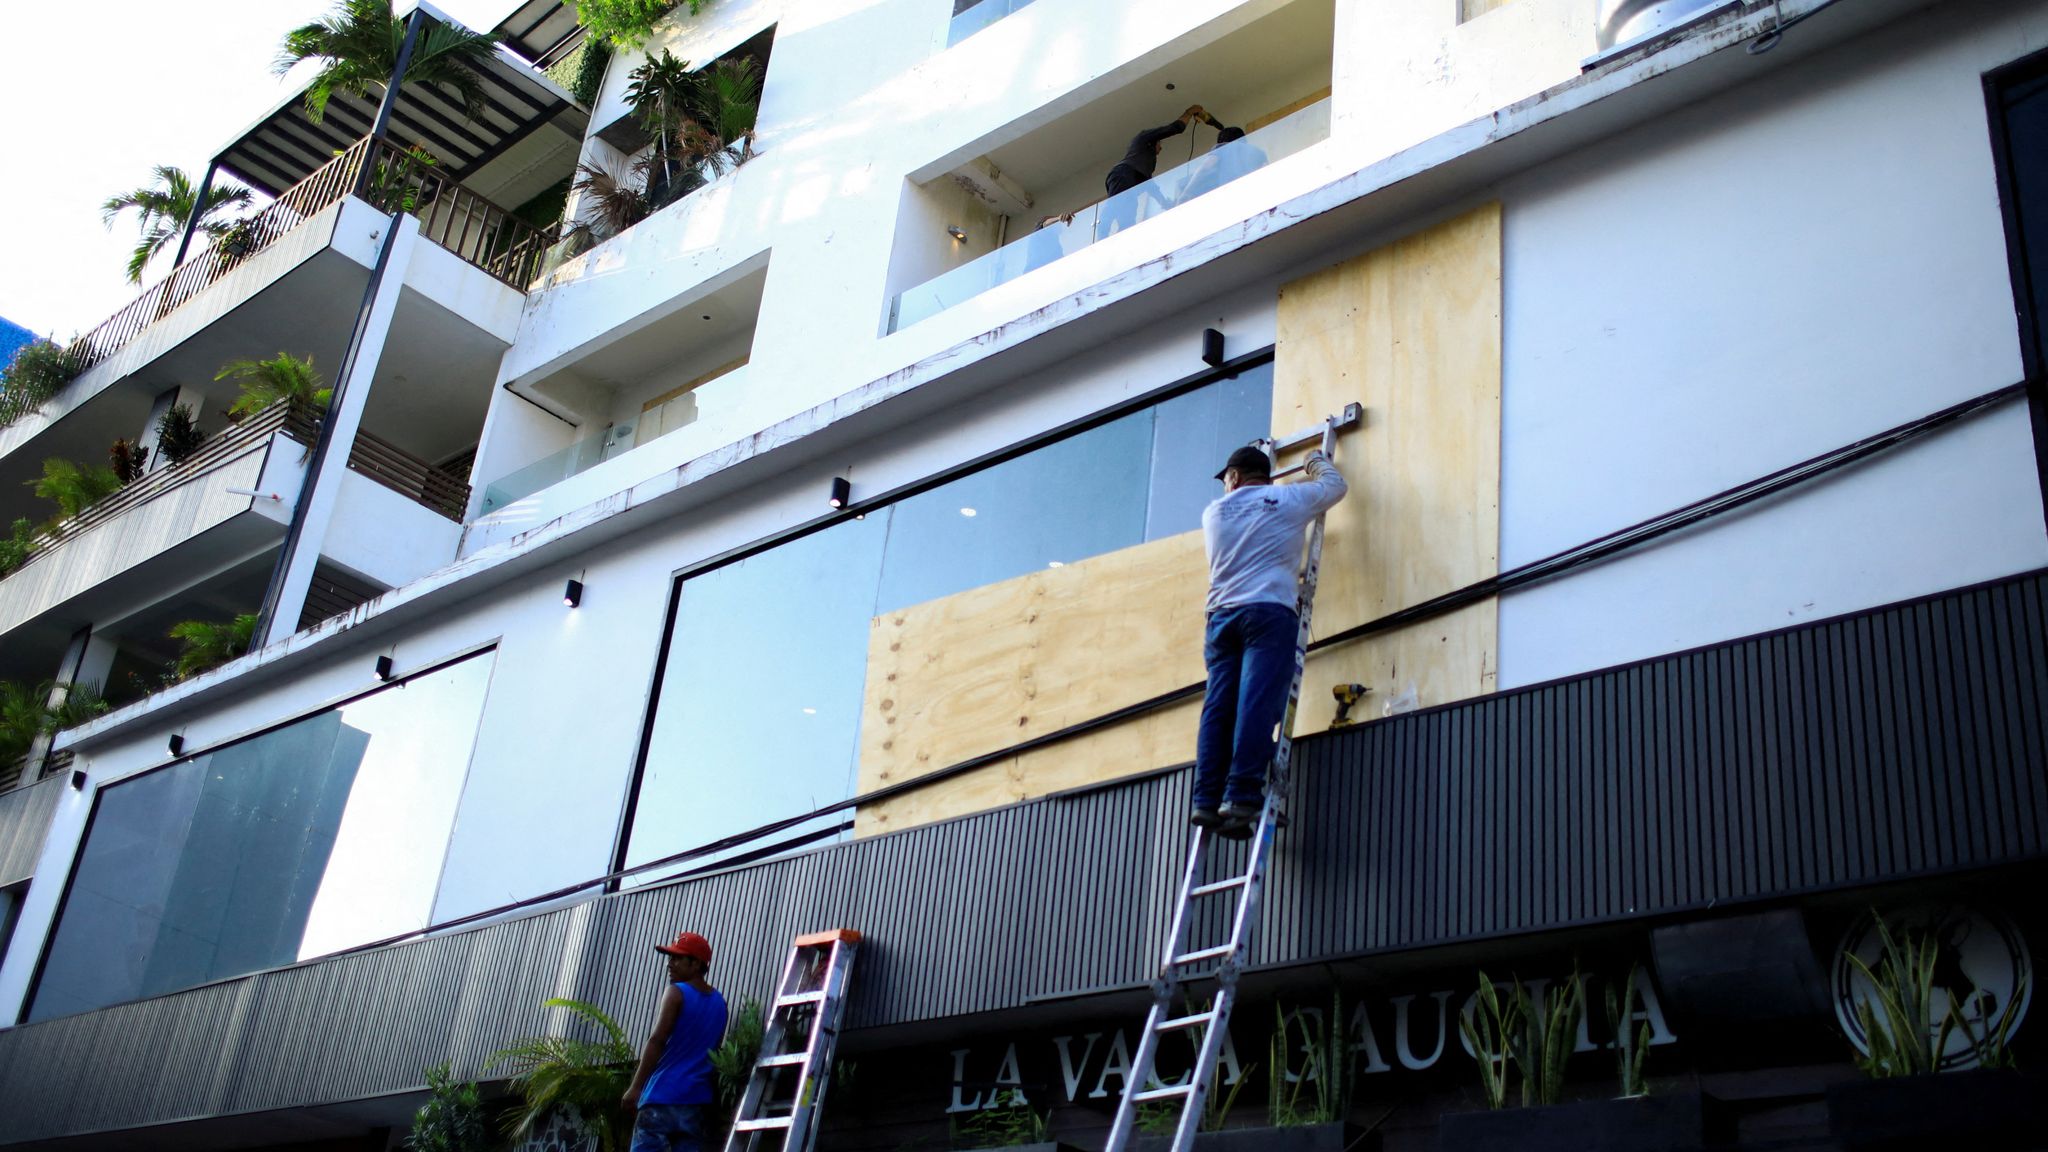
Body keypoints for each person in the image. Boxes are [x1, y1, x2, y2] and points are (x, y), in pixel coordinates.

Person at [1192, 443, 1347, 839]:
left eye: (1226, 478)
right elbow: (1335, 486)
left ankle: (1206, 801)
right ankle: (1242, 795)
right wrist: (1314, 461)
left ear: (1235, 477)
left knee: (1218, 708)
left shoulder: (1213, 513)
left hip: (1221, 618)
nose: (1225, 484)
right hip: (1267, 612)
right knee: (1256, 703)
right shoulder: (1286, 499)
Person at [622, 930, 731, 1152]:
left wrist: (635, 1088)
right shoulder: (721, 1003)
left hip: (661, 1098)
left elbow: (657, 1040)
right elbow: (715, 1054)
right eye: (670, 958)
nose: (669, 964)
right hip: (696, 1104)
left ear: (697, 964)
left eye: (677, 958)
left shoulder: (675, 993)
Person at [1099, 105, 1208, 235]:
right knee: (1116, 212)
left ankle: (1116, 245)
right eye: (1160, 145)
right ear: (1155, 142)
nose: (1161, 149)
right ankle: (1101, 243)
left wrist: (1164, 202)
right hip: (1123, 175)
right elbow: (1175, 128)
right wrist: (1188, 113)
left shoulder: (1145, 162)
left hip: (1127, 183)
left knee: (1127, 221)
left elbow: (1150, 186)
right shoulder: (1144, 138)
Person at [1179, 120, 1267, 202]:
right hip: (1254, 195)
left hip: (1231, 195)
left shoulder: (1223, 147)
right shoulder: (1259, 153)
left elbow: (1206, 167)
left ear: (1221, 141)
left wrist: (1186, 193)